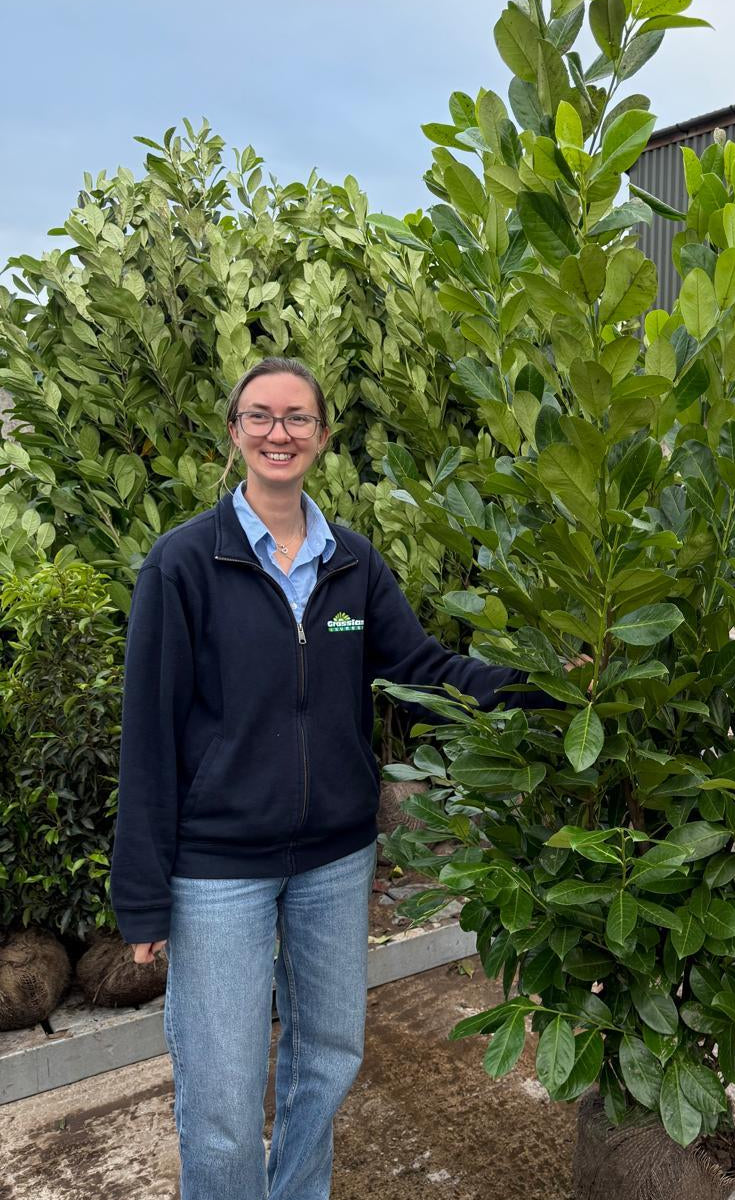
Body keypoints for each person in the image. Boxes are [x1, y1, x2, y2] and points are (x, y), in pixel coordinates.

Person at [111, 357, 546, 1200]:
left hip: (335, 862)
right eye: (261, 416)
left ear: (322, 435)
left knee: (329, 1056)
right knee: (223, 1094)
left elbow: (424, 669)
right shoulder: (183, 564)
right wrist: (142, 895)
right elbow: (149, 737)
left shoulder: (352, 564)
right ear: (234, 431)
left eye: (298, 418)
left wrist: (545, 686)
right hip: (218, 869)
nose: (279, 433)